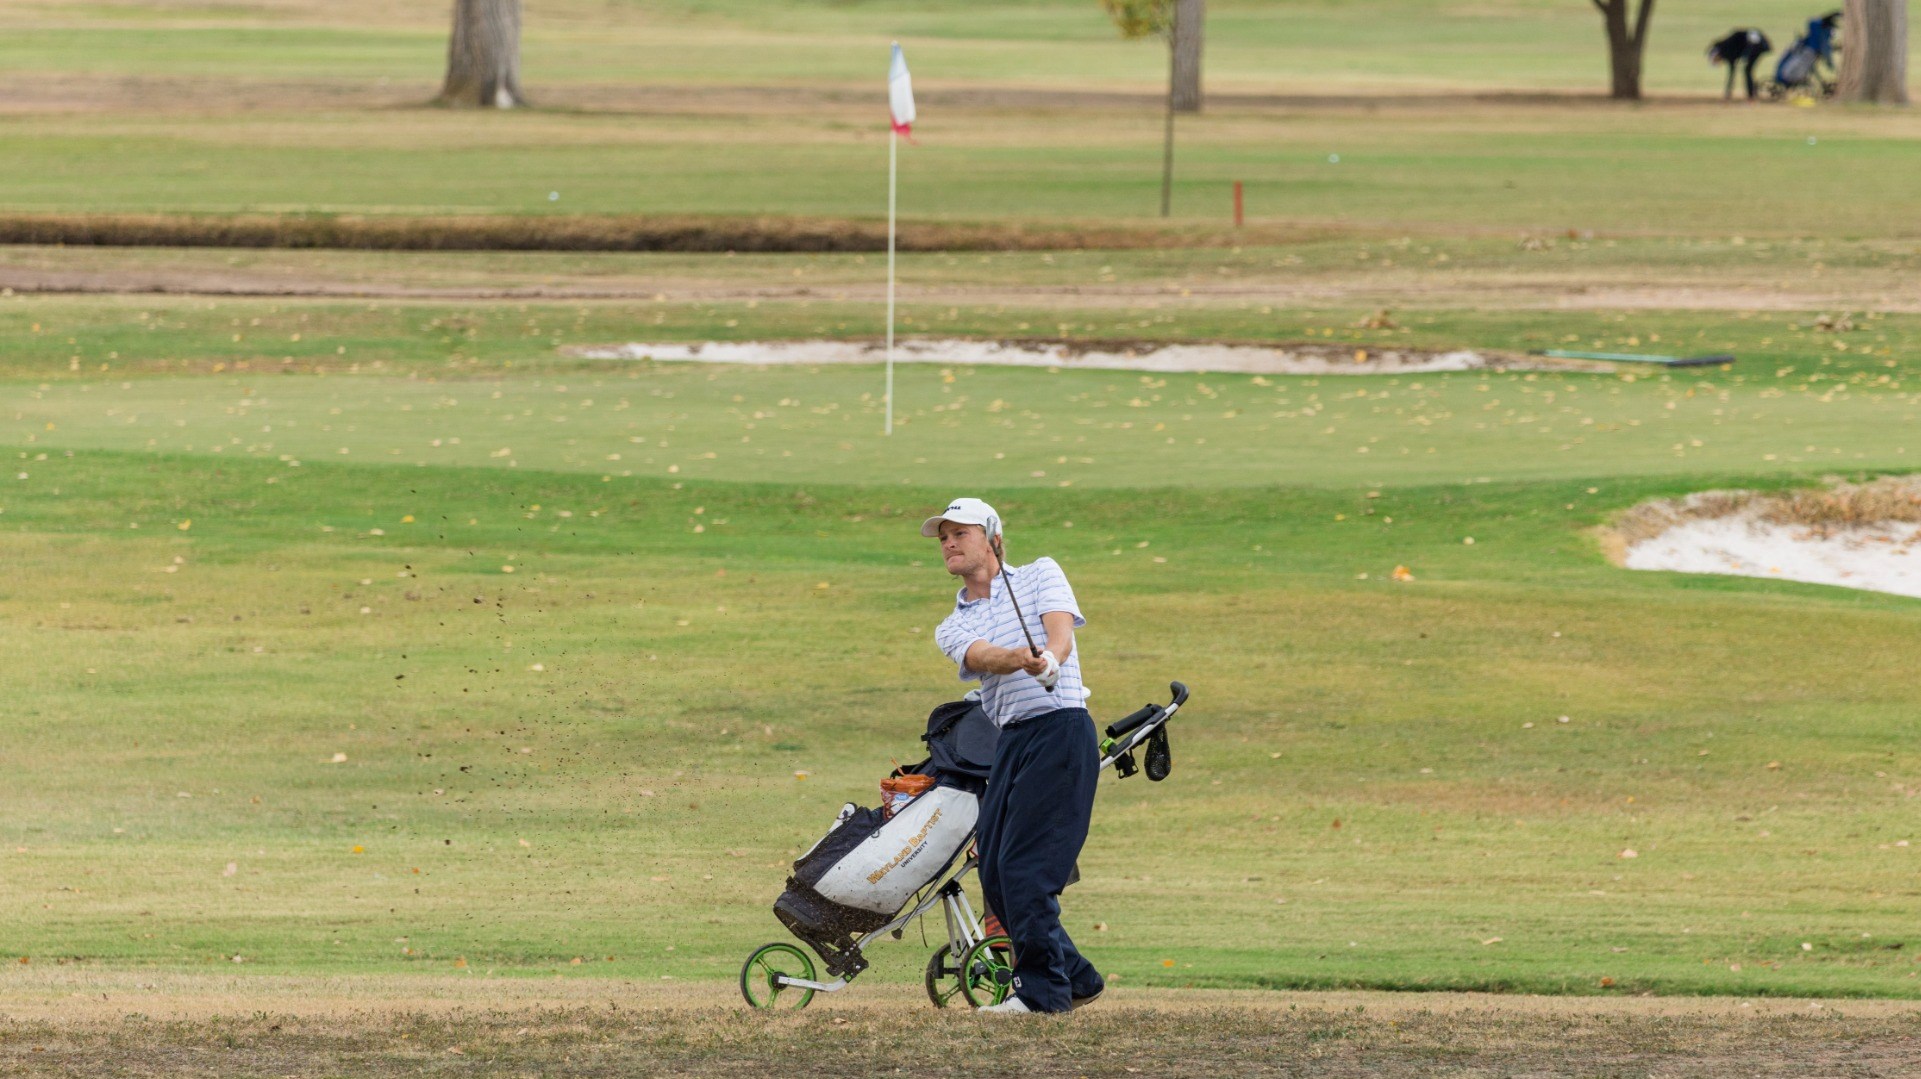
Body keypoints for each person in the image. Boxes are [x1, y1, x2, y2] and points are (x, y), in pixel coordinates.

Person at [923, 497, 1103, 1015]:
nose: (950, 544)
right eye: (944, 538)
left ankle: (1043, 995)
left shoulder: (1041, 573)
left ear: (993, 536)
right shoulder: (950, 624)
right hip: (1014, 741)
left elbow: (1060, 634)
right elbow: (982, 656)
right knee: (995, 870)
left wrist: (1049, 657)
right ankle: (1077, 977)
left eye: (960, 533)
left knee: (1025, 870)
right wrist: (1023, 661)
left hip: (1061, 730)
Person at [1707, 27, 1772, 100]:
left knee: (1747, 70)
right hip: (1756, 44)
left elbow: (1750, 38)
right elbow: (1732, 72)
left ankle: (1751, 96)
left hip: (1757, 45)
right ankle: (1752, 94)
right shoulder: (1727, 51)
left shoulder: (1728, 47)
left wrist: (1747, 54)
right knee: (1747, 70)